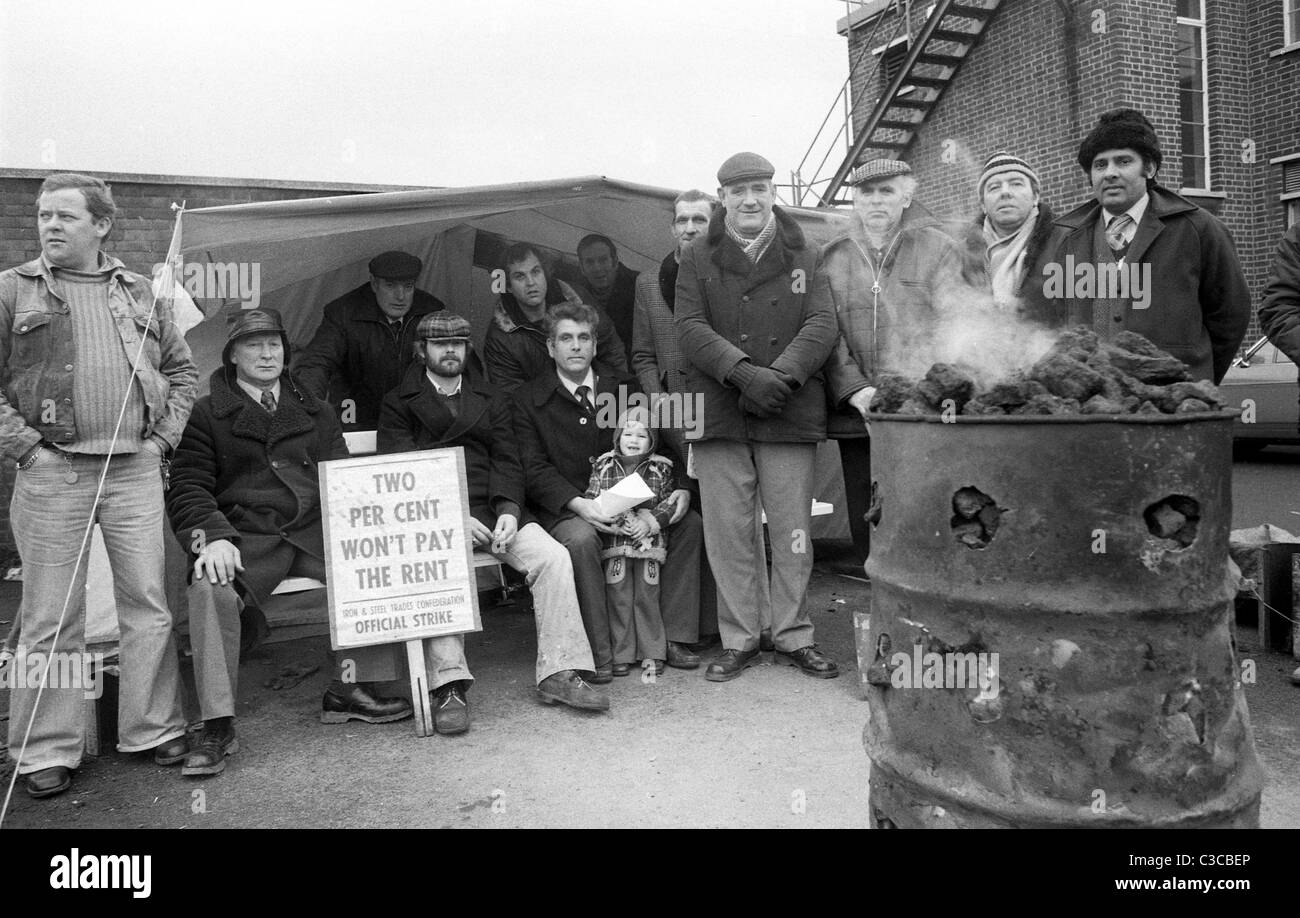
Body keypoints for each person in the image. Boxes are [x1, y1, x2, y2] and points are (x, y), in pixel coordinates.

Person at [1, 173, 197, 798]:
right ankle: (44, 750)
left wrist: (160, 441)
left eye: (65, 216)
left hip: (134, 470)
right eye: (42, 215)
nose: (49, 226)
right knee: (50, 617)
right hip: (52, 471)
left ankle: (151, 728)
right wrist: (28, 449)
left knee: (149, 604)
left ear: (102, 225)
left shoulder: (140, 291)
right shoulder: (12, 292)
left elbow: (183, 373)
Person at [168, 309, 412, 776]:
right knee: (208, 587)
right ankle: (217, 723)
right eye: (254, 345)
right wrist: (212, 539)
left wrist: (358, 529)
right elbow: (189, 485)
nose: (266, 354)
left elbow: (340, 477)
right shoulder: (206, 413)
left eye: (274, 344)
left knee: (369, 566)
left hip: (310, 529)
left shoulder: (314, 408)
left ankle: (350, 689)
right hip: (247, 537)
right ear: (233, 355)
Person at [377, 312, 609, 722]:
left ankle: (560, 669)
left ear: (468, 349)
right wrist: (451, 517)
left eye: (458, 343)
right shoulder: (398, 402)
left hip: (494, 507)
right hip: (433, 514)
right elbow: (402, 475)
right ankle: (448, 686)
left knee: (553, 557)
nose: (450, 351)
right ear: (421, 351)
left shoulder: (492, 396)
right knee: (438, 568)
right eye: (439, 344)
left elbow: (508, 458)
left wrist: (509, 510)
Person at [675, 152, 840, 682]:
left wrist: (782, 378)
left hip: (787, 407)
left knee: (793, 531)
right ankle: (741, 638)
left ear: (773, 193)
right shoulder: (697, 257)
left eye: (760, 188)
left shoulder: (806, 254)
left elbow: (821, 324)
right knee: (729, 532)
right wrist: (745, 374)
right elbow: (690, 328)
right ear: (722, 198)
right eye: (739, 190)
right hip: (722, 407)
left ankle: (794, 635)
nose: (750, 199)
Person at [513, 303, 705, 678]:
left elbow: (661, 443)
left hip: (641, 502)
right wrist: (578, 504)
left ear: (595, 345)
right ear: (550, 347)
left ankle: (672, 637)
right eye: (565, 338)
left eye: (583, 337)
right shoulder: (527, 398)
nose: (575, 346)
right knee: (581, 540)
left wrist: (681, 487)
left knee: (689, 523)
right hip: (569, 505)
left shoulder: (624, 387)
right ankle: (599, 652)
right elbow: (532, 468)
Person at [822, 159, 963, 570]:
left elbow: (953, 327)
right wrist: (855, 390)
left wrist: (916, 393)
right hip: (856, 413)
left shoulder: (939, 248)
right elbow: (825, 332)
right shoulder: (831, 256)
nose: (876, 200)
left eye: (887, 191)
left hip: (919, 416)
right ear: (855, 199)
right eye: (867, 192)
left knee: (923, 521)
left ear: (907, 196)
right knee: (867, 527)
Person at [1050, 108, 1250, 383]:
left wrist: (1197, 376)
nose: (1110, 173)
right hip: (1095, 403)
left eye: (1123, 162)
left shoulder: (1199, 229)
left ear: (1150, 168)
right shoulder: (1067, 238)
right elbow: (1059, 321)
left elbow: (1230, 316)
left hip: (1172, 401)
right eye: (1100, 165)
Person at [295, 250, 449, 430]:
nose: (400, 296)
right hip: (354, 417)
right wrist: (309, 411)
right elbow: (316, 364)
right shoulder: (343, 313)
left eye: (408, 286)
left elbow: (456, 364)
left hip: (415, 419)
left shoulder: (432, 311)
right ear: (374, 284)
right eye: (390, 286)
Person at [583, 407, 676, 675]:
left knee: (648, 595)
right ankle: (621, 652)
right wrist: (614, 517)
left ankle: (652, 652)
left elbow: (670, 503)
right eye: (628, 433)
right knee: (619, 595)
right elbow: (592, 500)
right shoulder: (603, 465)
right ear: (617, 437)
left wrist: (650, 521)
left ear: (652, 441)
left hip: (649, 545)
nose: (633, 440)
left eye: (642, 435)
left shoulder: (660, 467)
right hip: (616, 543)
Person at [483, 242, 630, 393]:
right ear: (508, 285)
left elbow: (611, 350)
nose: (531, 282)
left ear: (545, 273)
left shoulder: (575, 297)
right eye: (520, 276)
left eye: (536, 272)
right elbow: (512, 396)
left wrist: (613, 395)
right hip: (545, 412)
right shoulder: (500, 337)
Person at [955, 151, 1060, 323]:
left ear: (1035, 196)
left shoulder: (1067, 241)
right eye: (994, 187)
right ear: (982, 204)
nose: (1005, 193)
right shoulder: (959, 255)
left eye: (1016, 184)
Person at [577, 233, 639, 366]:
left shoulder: (639, 287)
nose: (597, 268)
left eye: (603, 260)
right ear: (582, 268)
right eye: (590, 262)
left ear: (615, 261)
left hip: (634, 373)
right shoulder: (577, 294)